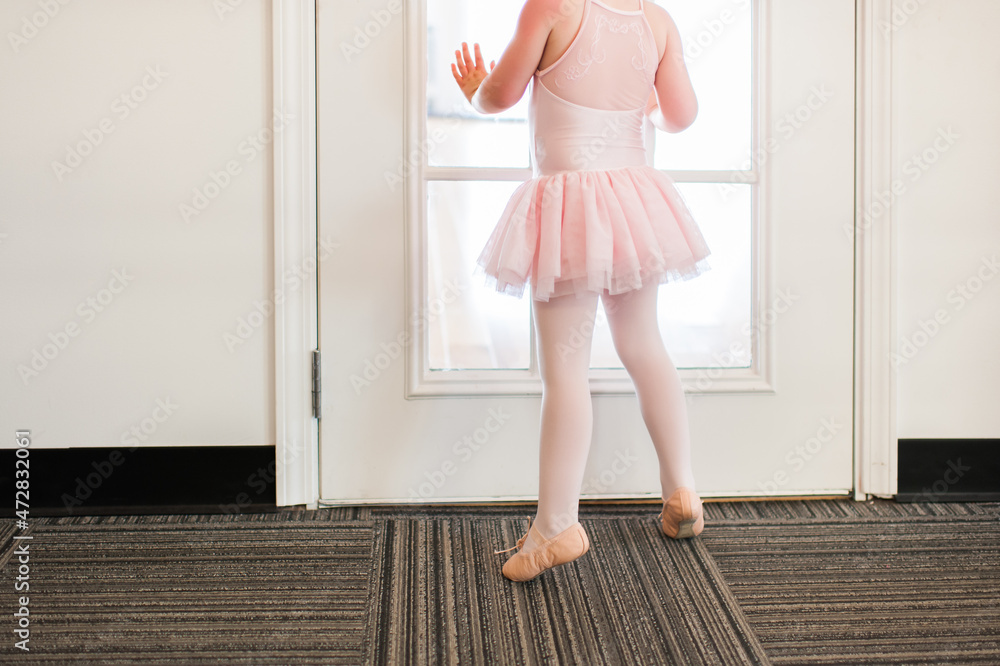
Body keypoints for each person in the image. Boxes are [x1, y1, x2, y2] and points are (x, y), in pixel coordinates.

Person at [452, 0, 711, 582]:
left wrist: (474, 92)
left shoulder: (549, 7)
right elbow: (682, 114)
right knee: (644, 345)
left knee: (565, 370)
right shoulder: (655, 19)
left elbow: (501, 95)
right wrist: (643, 105)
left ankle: (556, 525)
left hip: (569, 202)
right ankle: (682, 490)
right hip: (634, 200)